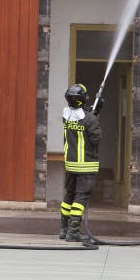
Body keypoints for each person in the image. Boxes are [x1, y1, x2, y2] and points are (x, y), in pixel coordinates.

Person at [59, 83, 103, 243]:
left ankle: (63, 229)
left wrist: (93, 113)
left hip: (70, 164)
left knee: (69, 195)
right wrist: (96, 116)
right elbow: (96, 139)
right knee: (81, 197)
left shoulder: (65, 115)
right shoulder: (90, 119)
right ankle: (73, 231)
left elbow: (80, 120)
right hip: (86, 165)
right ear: (82, 99)